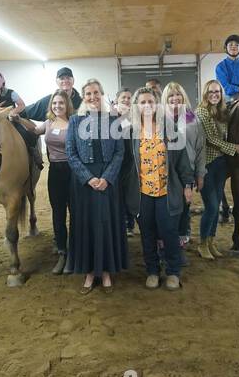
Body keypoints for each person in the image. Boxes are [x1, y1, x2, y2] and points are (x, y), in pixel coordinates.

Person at [125, 87, 194, 289]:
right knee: (147, 233)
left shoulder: (170, 129)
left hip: (167, 190)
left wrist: (187, 185)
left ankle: (173, 271)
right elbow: (125, 164)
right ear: (137, 106)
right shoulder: (131, 132)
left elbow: (182, 160)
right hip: (142, 193)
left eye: (150, 101)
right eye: (143, 102)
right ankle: (152, 271)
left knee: (169, 232)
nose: (147, 106)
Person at [65, 79, 128, 293]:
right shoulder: (74, 121)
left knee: (106, 223)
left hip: (108, 181)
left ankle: (107, 271)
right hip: (84, 183)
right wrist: (89, 178)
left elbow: (120, 152)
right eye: (88, 94)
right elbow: (71, 154)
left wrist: (107, 177)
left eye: (96, 93)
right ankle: (90, 273)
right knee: (86, 225)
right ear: (84, 98)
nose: (92, 97)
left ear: (102, 95)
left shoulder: (114, 120)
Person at [196, 79, 239, 260]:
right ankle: (202, 243)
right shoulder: (201, 112)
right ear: (205, 93)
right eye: (211, 92)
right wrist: (234, 148)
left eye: (217, 92)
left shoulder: (222, 111)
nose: (214, 95)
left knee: (217, 205)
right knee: (211, 206)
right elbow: (211, 139)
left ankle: (210, 241)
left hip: (220, 164)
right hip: (206, 164)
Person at [30, 90, 75, 275]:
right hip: (55, 172)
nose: (57, 106)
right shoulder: (47, 123)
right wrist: (14, 120)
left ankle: (74, 253)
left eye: (61, 103)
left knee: (75, 213)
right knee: (58, 213)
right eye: (55, 103)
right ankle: (62, 253)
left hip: (73, 171)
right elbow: (30, 132)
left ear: (67, 105)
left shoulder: (75, 123)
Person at [163, 82, 203, 252]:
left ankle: (181, 237)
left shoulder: (193, 119)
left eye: (178, 94)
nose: (175, 98)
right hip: (165, 172)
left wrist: (200, 174)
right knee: (167, 207)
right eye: (171, 95)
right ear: (166, 98)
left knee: (184, 205)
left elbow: (201, 147)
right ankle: (164, 240)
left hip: (188, 170)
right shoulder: (158, 119)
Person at [113, 89, 138, 234]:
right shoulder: (111, 116)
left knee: (130, 191)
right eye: (123, 97)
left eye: (129, 98)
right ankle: (120, 221)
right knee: (118, 192)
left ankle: (130, 222)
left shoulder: (135, 116)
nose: (126, 100)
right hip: (117, 160)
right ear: (117, 100)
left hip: (131, 159)